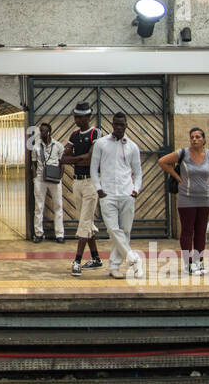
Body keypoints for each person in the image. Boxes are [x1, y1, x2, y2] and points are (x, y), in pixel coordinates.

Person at [159, 127, 209, 274]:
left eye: (198, 137)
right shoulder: (183, 153)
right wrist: (178, 178)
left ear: (204, 139)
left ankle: (199, 261)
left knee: (201, 230)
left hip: (204, 197)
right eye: (192, 137)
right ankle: (188, 263)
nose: (195, 139)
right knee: (187, 230)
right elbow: (163, 162)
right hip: (187, 198)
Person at [90, 111, 144, 279]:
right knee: (113, 229)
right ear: (112, 125)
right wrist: (99, 189)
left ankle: (114, 266)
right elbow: (94, 168)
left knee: (125, 231)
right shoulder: (101, 144)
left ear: (126, 126)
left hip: (127, 193)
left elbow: (138, 172)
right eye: (116, 124)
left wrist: (135, 190)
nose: (119, 127)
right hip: (108, 194)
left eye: (122, 125)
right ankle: (134, 259)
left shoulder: (132, 146)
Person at [61, 102, 102, 247]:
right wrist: (80, 158)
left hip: (90, 182)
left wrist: (74, 159)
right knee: (85, 219)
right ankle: (96, 258)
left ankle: (77, 260)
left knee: (84, 221)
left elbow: (91, 159)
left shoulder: (95, 133)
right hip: (77, 182)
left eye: (80, 117)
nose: (77, 120)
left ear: (88, 116)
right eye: (75, 117)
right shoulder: (74, 134)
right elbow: (63, 158)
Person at [30, 121, 65, 243]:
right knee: (39, 206)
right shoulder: (36, 147)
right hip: (40, 178)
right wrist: (35, 179)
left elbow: (62, 163)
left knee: (58, 205)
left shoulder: (58, 146)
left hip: (55, 179)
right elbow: (33, 164)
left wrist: (60, 177)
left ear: (49, 132)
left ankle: (59, 234)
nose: (41, 133)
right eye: (40, 131)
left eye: (43, 131)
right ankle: (38, 233)